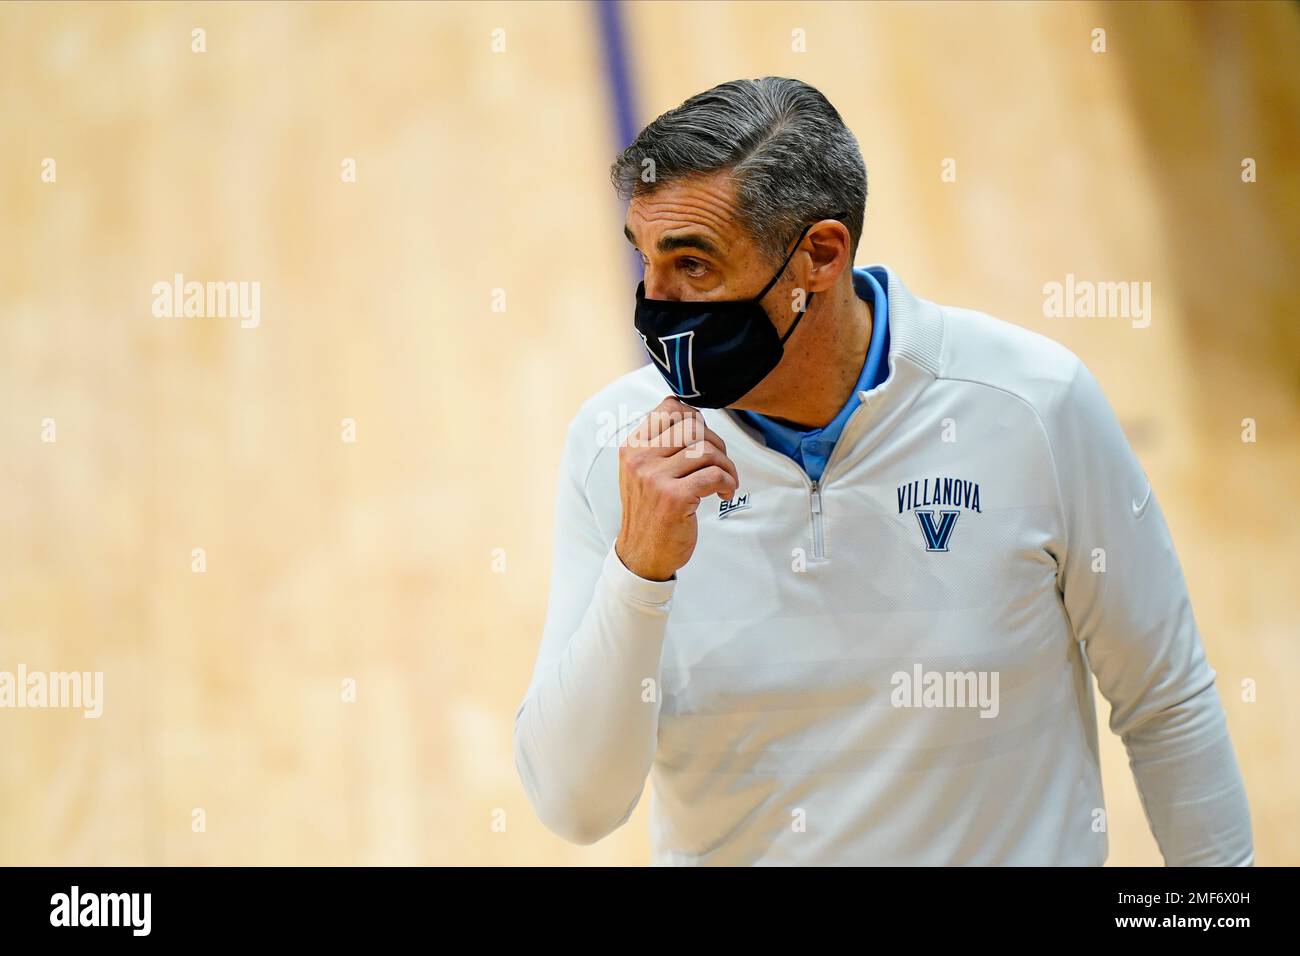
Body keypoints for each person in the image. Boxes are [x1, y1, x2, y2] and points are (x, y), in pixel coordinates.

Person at [513, 76, 1253, 865]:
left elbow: (1165, 704)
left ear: (820, 257)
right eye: (645, 259)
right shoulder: (614, 450)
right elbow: (575, 805)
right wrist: (641, 573)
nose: (655, 306)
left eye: (693, 265)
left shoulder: (1034, 405)